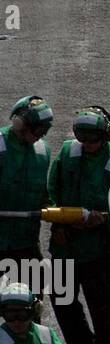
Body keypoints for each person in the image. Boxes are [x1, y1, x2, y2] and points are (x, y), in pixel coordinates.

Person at [46, 106, 110, 344]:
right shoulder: (69, 152)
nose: (88, 146)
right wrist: (59, 224)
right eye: (84, 139)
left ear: (107, 135)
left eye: (94, 140)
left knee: (104, 310)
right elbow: (52, 189)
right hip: (63, 246)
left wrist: (98, 220)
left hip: (98, 250)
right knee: (63, 304)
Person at [0, 96, 53, 276]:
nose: (41, 134)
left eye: (45, 129)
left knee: (34, 294)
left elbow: (44, 193)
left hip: (26, 240)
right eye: (38, 129)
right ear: (19, 124)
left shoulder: (42, 150)